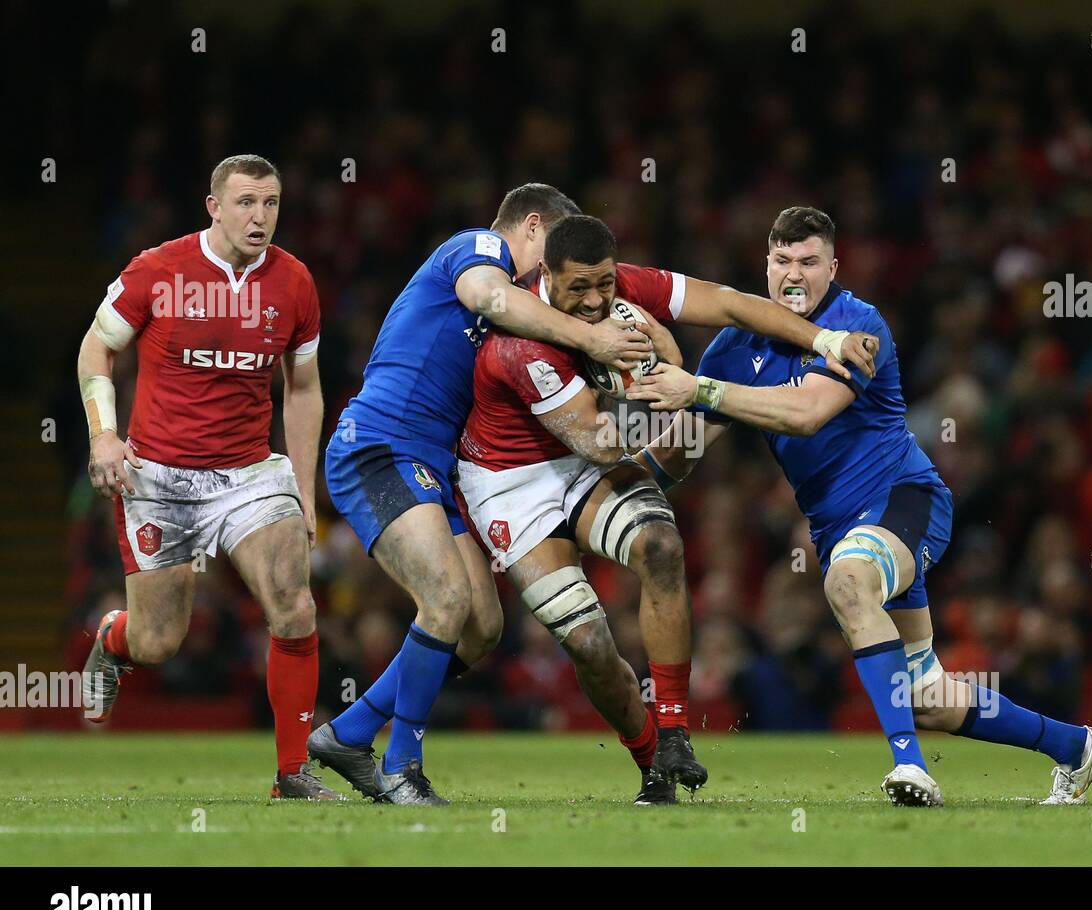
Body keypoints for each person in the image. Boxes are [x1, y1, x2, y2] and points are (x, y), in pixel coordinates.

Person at [627, 206, 1092, 806]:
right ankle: (1075, 747)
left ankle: (911, 770)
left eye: (809, 261)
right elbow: (684, 451)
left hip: (905, 500)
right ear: (767, 266)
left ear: (833, 267)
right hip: (841, 527)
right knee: (926, 696)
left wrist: (698, 388)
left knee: (848, 582)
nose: (795, 275)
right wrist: (611, 490)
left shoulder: (857, 326)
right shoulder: (733, 347)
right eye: (783, 261)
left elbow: (806, 414)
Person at [456, 214, 877, 802]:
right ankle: (652, 760)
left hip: (581, 462)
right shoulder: (521, 343)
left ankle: (675, 728)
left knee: (661, 545)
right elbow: (601, 438)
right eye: (578, 287)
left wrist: (822, 339)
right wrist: (655, 383)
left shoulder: (624, 289)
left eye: (604, 283)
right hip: (511, 482)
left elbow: (729, 304)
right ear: (542, 275)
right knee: (592, 646)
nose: (596, 299)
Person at [308, 185, 652, 805]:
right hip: (380, 446)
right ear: (532, 226)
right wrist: (594, 340)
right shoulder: (475, 248)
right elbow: (490, 295)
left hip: (432, 468)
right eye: (550, 257)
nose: (550, 277)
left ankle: (348, 733)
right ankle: (402, 769)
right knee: (444, 597)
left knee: (480, 629)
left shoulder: (519, 312)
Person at [79, 154, 338, 799]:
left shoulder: (294, 283)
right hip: (158, 479)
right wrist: (105, 434)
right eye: (246, 203)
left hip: (251, 473)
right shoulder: (158, 270)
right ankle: (115, 640)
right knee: (159, 641)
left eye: (271, 203)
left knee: (295, 606)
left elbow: (302, 390)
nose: (260, 217)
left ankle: (292, 773)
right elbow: (96, 346)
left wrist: (303, 491)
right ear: (213, 206)